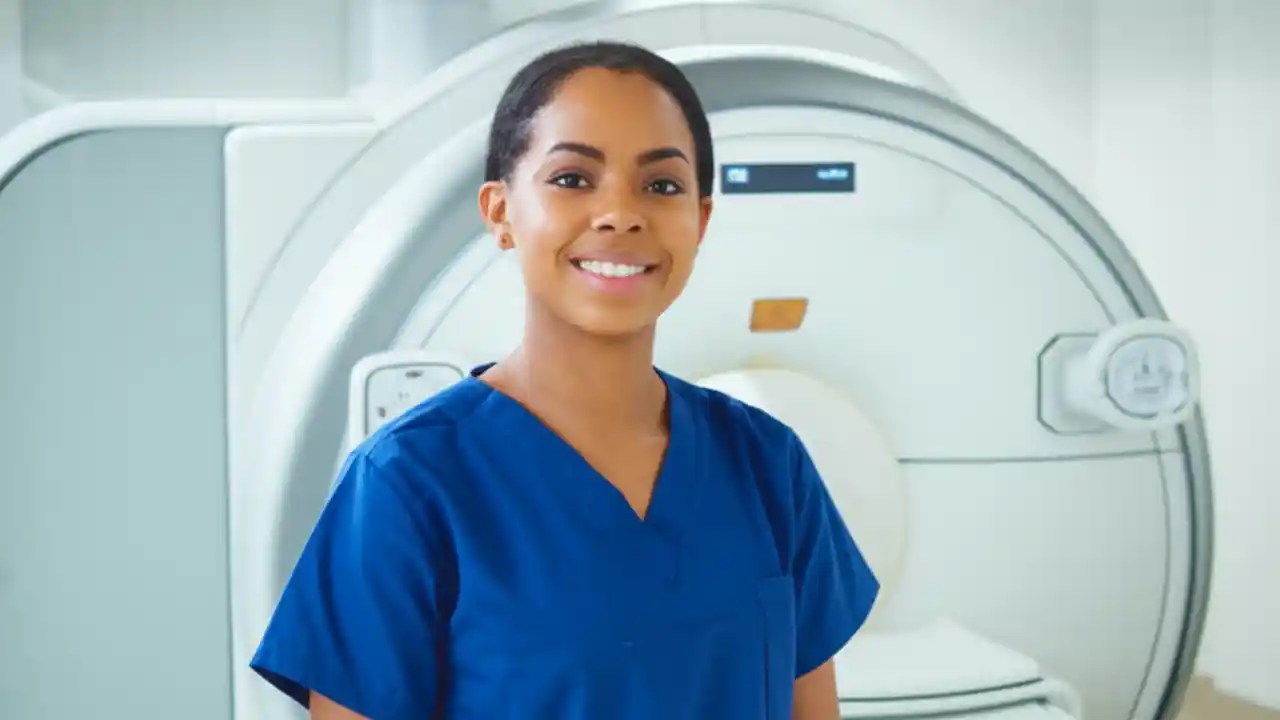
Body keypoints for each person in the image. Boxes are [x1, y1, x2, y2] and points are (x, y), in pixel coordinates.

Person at [250, 40, 879, 720]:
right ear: (500, 213)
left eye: (661, 185)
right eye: (573, 179)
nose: (620, 213)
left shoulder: (767, 463)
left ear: (699, 220)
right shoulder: (407, 484)